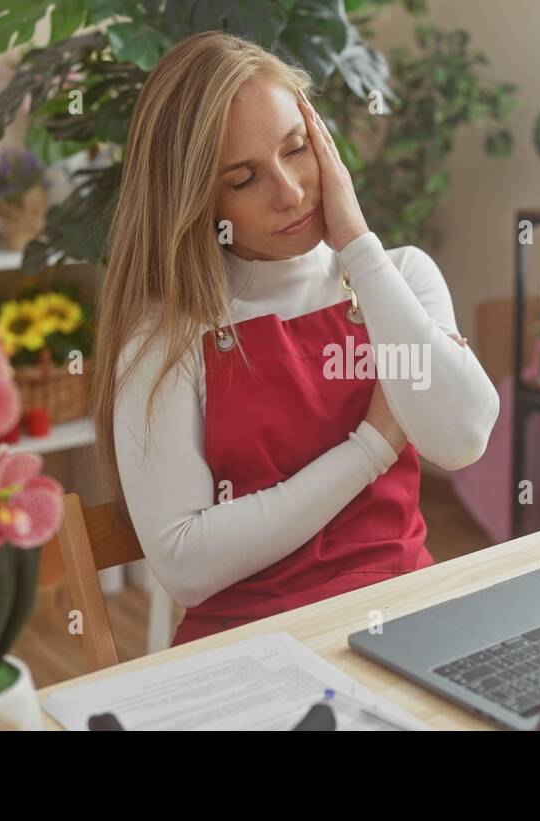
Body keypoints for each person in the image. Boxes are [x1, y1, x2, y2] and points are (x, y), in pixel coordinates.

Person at [92, 31, 499, 646]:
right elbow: (185, 565)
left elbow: (462, 438)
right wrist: (370, 447)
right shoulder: (167, 335)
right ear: (196, 199)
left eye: (296, 148)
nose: (290, 192)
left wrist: (359, 246)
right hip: (252, 647)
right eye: (244, 178)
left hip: (407, 616)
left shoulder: (399, 276)